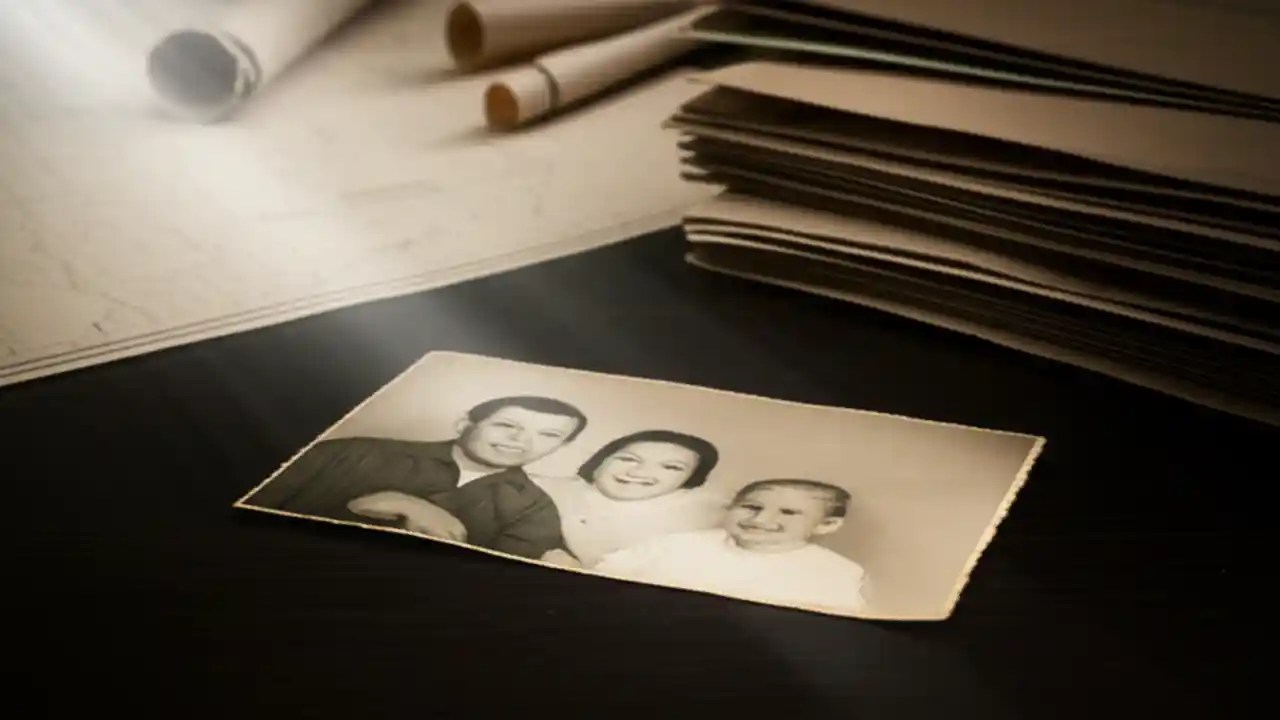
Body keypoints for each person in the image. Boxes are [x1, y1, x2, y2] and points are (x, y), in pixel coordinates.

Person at [241, 395, 586, 562]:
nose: (521, 441)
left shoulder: (535, 510)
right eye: (507, 425)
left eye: (548, 435)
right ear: (465, 423)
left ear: (563, 446)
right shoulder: (346, 452)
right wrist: (376, 504)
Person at [594, 478, 868, 613]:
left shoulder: (834, 571)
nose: (760, 519)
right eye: (750, 507)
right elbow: (608, 569)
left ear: (827, 525)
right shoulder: (683, 543)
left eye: (788, 513)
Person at [533, 430, 726, 568]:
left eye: (671, 467)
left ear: (691, 478)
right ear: (600, 461)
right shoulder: (539, 488)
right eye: (628, 459)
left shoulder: (710, 517)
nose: (638, 472)